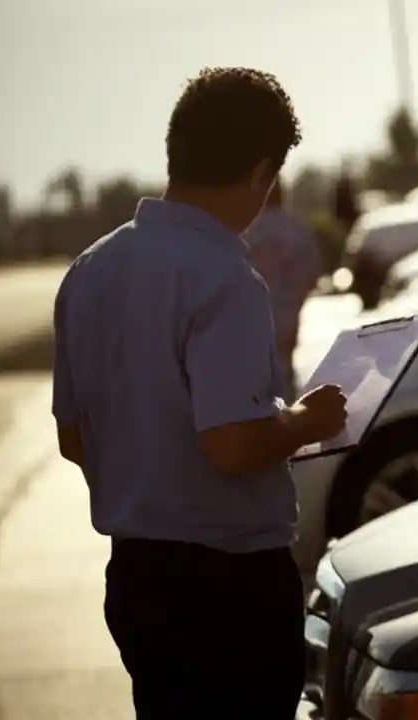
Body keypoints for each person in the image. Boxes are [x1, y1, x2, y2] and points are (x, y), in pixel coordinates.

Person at [50, 67, 347, 718]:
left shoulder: (91, 270)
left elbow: (74, 438)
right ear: (261, 172)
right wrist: (305, 420)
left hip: (137, 579)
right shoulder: (225, 279)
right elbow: (233, 444)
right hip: (229, 588)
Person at [244, 177, 321, 399]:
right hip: (287, 311)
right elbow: (311, 274)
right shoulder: (296, 227)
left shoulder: (247, 229)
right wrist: (296, 301)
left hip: (252, 315)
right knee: (284, 371)